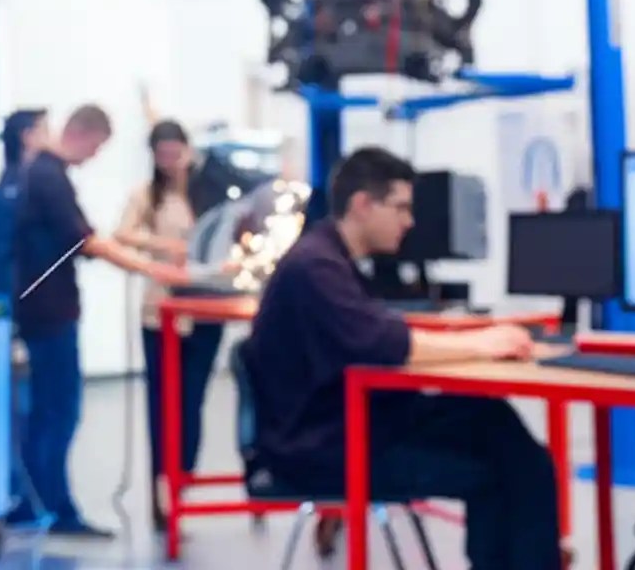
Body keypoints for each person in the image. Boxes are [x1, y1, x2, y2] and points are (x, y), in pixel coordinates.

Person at [241, 147, 565, 570]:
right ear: (362, 205)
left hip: (348, 423)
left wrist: (473, 338)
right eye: (401, 208)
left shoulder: (329, 257)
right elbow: (381, 342)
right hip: (324, 446)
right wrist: (483, 345)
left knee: (495, 424)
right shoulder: (315, 267)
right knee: (503, 470)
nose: (409, 222)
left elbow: (376, 330)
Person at [11, 104, 189, 538]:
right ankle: (55, 510)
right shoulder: (49, 176)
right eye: (98, 147)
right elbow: (88, 242)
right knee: (59, 411)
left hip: (43, 312)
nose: (94, 157)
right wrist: (154, 269)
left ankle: (38, 503)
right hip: (50, 316)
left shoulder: (40, 175)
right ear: (84, 134)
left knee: (47, 412)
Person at [114, 119, 222, 531]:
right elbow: (122, 233)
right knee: (163, 404)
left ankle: (183, 483)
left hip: (207, 309)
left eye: (176, 153)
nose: (171, 162)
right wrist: (167, 247)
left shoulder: (209, 191)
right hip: (160, 314)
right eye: (163, 155)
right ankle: (162, 488)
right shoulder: (146, 196)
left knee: (193, 401)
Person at [0, 108, 50, 298]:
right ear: (27, 137)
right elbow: (2, 259)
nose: (51, 140)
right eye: (45, 131)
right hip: (23, 302)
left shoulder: (35, 183)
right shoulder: (8, 192)